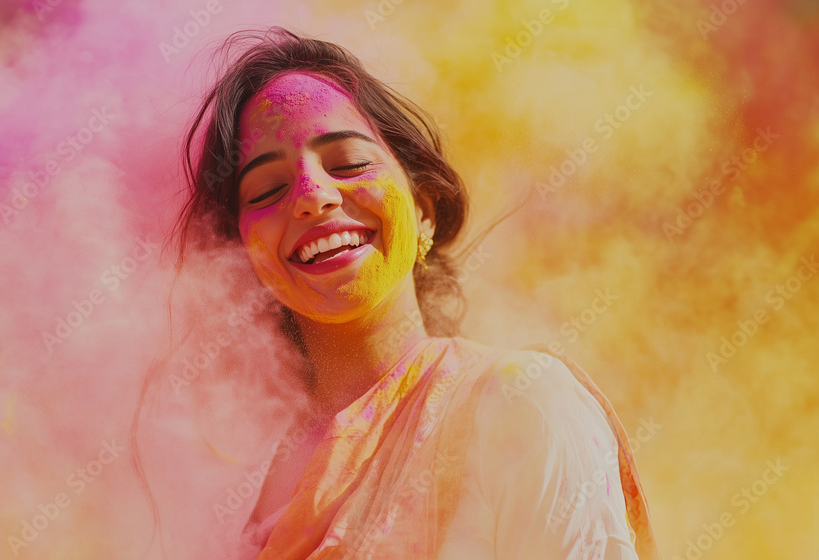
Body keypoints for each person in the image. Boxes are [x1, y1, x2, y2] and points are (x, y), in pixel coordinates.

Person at [171, 26, 661, 560]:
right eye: (267, 191)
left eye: (350, 163)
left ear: (423, 208)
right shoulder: (213, 480)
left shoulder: (520, 403)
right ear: (240, 259)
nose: (313, 197)